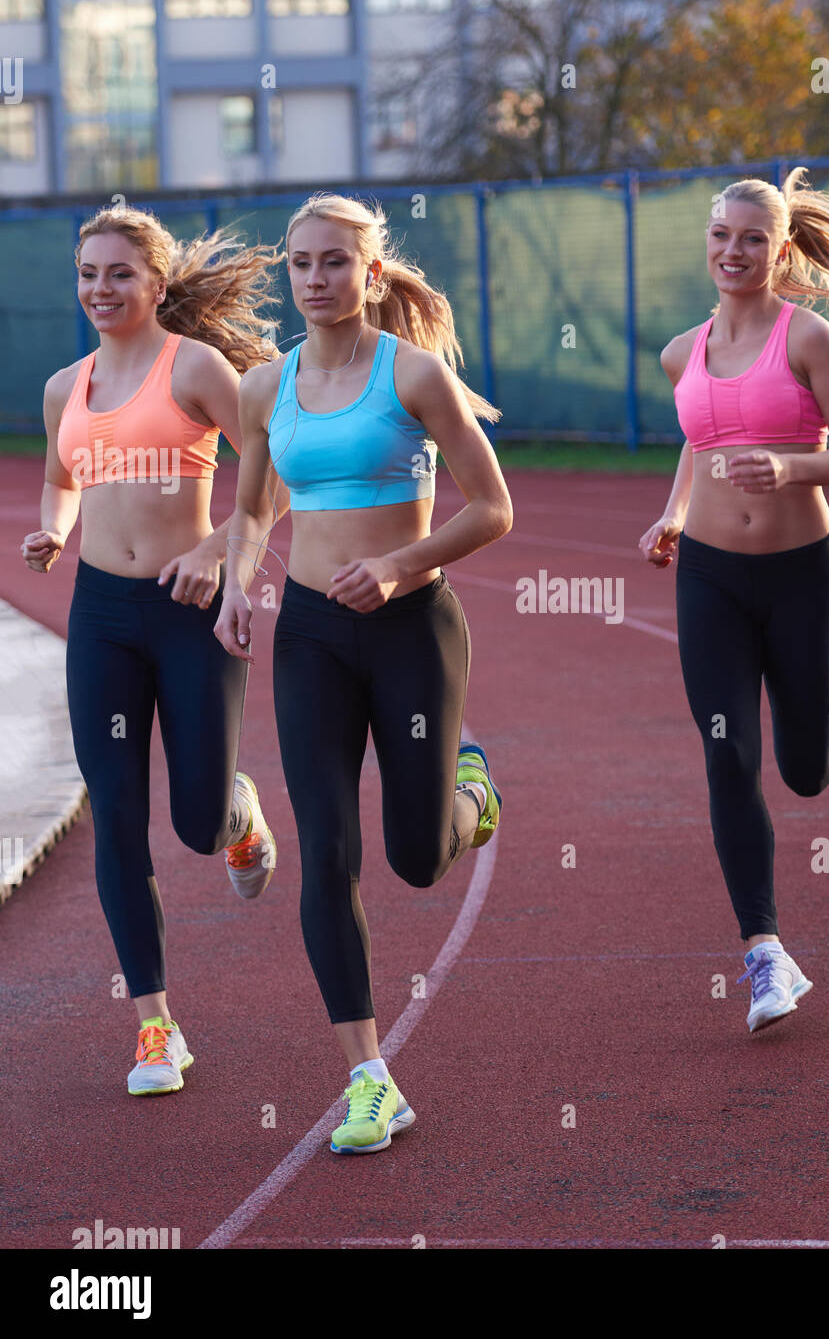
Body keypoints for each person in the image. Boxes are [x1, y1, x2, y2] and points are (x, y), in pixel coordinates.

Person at [216, 192, 512, 1154]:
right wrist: (234, 587)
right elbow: (253, 508)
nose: (316, 279)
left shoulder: (415, 376)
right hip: (308, 637)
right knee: (328, 852)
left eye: (335, 262)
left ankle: (472, 789)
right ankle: (369, 1077)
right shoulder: (267, 387)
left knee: (417, 860)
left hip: (410, 631)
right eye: (301, 263)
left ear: (371, 274)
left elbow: (493, 508)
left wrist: (395, 566)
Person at [21, 205, 283, 1094]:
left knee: (196, 823)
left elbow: (269, 473)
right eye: (89, 273)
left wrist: (217, 550)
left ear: (156, 284)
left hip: (188, 609)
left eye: (120, 273)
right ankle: (155, 1027)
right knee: (117, 816)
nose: (101, 288)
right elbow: (61, 481)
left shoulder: (197, 369)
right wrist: (52, 531)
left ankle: (237, 814)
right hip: (101, 615)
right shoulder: (66, 387)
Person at [639, 168, 829, 1032]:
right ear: (706, 242)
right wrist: (673, 515)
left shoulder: (808, 339)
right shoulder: (682, 351)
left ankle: (813, 732)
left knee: (805, 770)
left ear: (780, 249)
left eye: (753, 238)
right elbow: (695, 437)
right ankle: (765, 953)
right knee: (726, 756)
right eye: (721, 235)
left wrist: (791, 464)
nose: (733, 251)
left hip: (800, 574)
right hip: (709, 578)